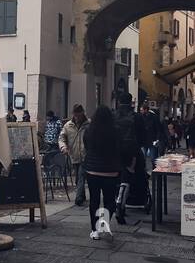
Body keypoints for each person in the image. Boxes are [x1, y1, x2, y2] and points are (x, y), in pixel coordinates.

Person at [82, 106, 122, 240]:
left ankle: (94, 230)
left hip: (92, 170)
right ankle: (103, 223)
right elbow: (118, 149)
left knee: (94, 200)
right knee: (109, 200)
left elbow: (87, 147)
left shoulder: (89, 131)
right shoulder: (115, 131)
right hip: (110, 171)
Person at [113, 92, 146, 220]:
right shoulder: (136, 117)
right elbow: (143, 136)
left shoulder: (113, 115)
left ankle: (116, 199)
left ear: (118, 102)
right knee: (127, 176)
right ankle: (120, 202)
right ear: (131, 102)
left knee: (116, 176)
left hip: (114, 152)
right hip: (131, 151)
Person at [60, 104, 88, 206]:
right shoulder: (68, 126)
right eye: (76, 115)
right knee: (77, 177)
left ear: (82, 113)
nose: (77, 118)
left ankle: (79, 198)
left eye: (79, 115)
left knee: (81, 175)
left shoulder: (88, 124)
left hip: (86, 155)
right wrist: (63, 147)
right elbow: (61, 138)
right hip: (74, 155)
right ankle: (82, 194)